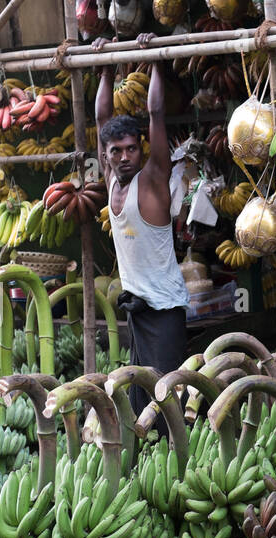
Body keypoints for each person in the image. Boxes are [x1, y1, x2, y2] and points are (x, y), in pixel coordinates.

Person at [94, 33, 189, 435]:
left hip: (165, 310)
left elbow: (156, 114)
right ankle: (144, 456)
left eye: (131, 149)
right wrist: (104, 67)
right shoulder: (111, 181)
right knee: (138, 399)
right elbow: (102, 119)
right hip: (137, 310)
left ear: (141, 148)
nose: (123, 157)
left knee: (166, 401)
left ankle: (181, 458)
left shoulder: (152, 180)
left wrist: (155, 60)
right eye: (115, 151)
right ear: (106, 154)